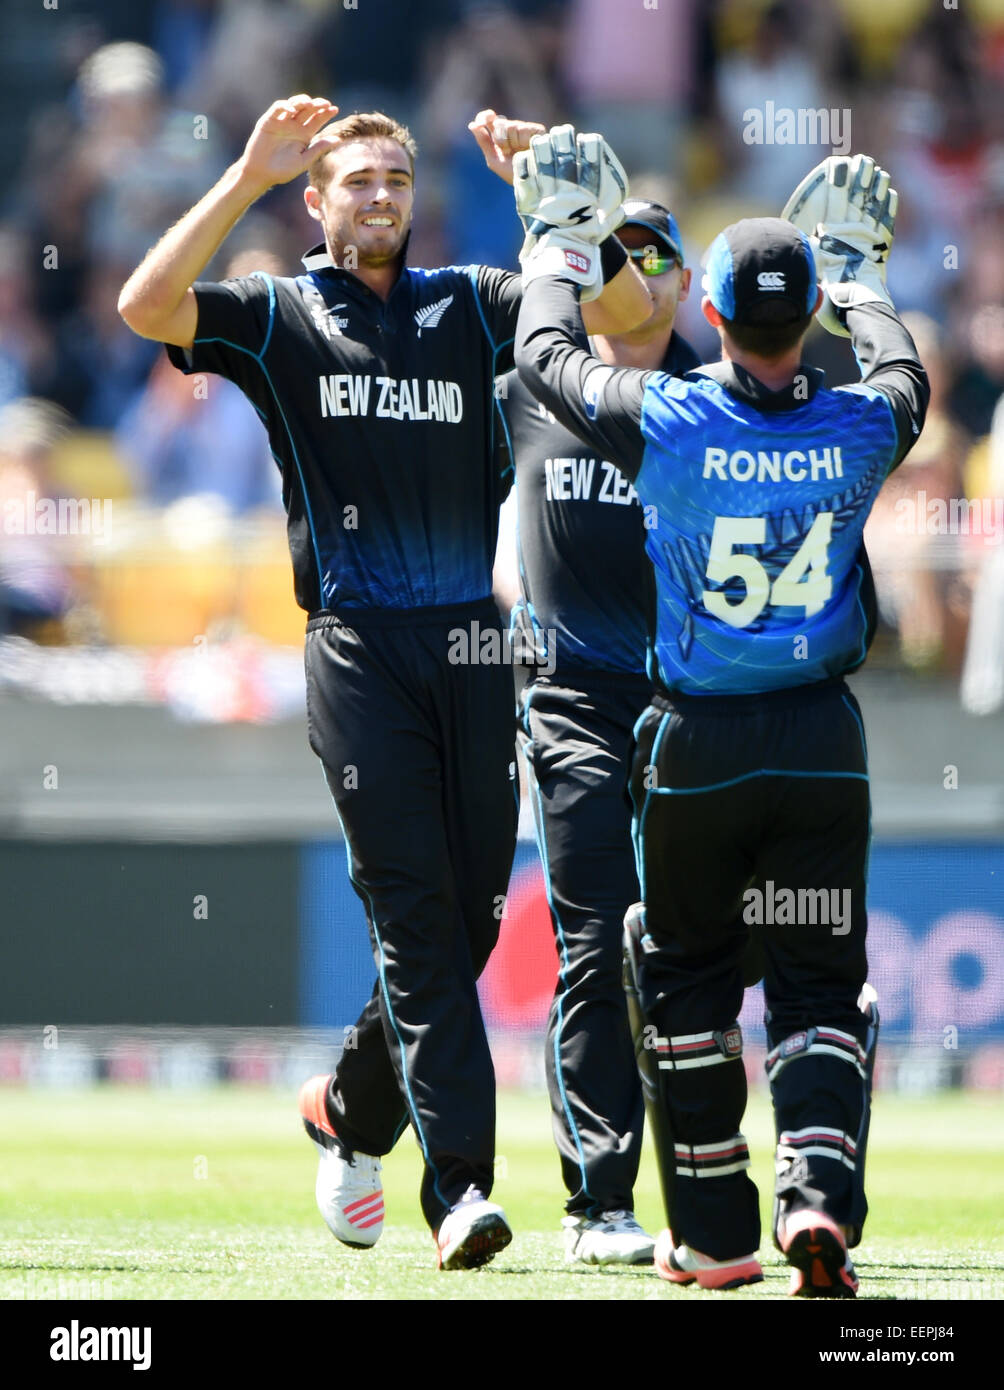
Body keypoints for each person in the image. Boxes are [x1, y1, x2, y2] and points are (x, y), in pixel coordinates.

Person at [117, 96, 649, 1270]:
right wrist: (244, 175)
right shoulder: (278, 316)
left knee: (465, 919)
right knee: (414, 916)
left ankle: (350, 1108)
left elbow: (622, 308)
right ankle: (459, 1188)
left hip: (470, 642)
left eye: (395, 182)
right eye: (355, 183)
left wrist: (556, 206)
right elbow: (143, 304)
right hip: (356, 645)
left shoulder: (470, 301)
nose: (379, 200)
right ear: (316, 203)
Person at [512, 140, 928, 1294]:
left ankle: (711, 1237)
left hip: (694, 747)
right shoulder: (857, 425)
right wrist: (862, 281)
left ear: (705, 309)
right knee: (816, 981)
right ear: (806, 319)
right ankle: (815, 1196)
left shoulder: (672, 420)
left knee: (685, 977)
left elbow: (544, 357)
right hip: (818, 746)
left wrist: (553, 243)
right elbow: (907, 378)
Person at [493, 199, 699, 1265]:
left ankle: (707, 1199)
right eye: (612, 252)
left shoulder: (709, 400)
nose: (633, 271)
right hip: (570, 703)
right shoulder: (528, 390)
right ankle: (598, 1202)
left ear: (683, 279)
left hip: (693, 707)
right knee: (591, 945)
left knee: (689, 956)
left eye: (654, 253)